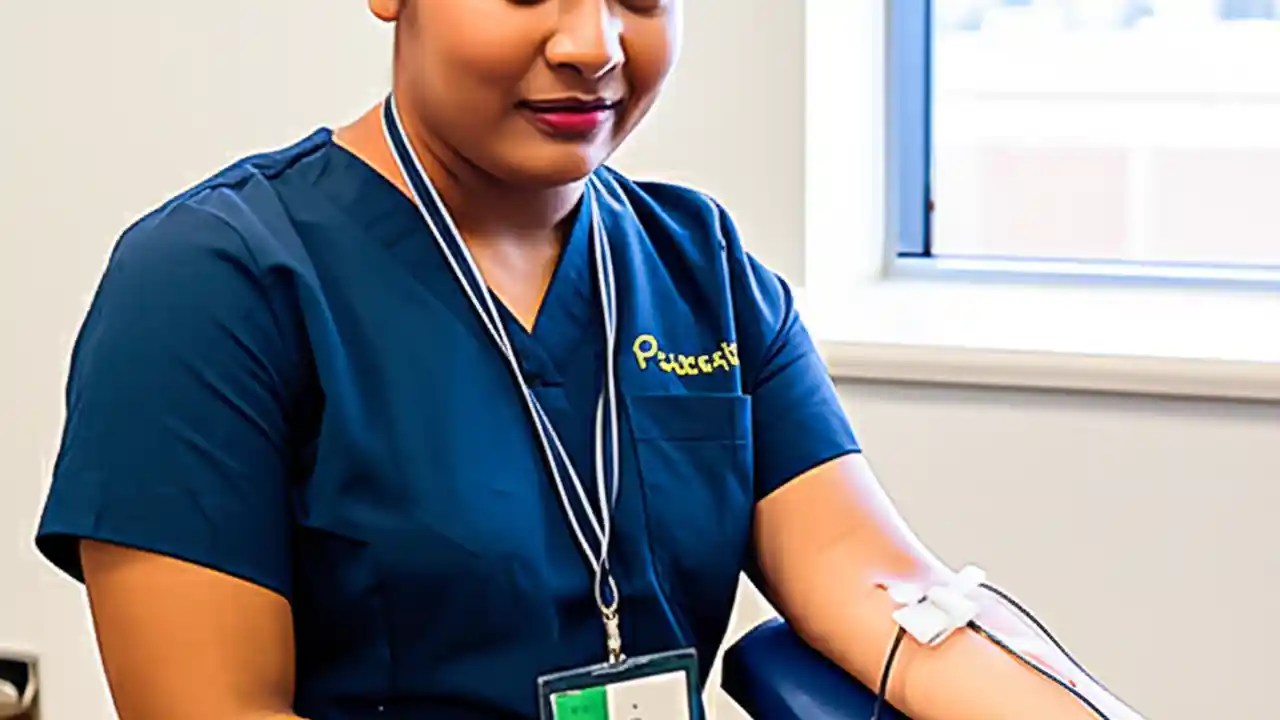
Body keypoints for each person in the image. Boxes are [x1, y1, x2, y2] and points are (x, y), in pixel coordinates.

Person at [35, 2, 1143, 719]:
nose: (595, 46)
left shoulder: (695, 261)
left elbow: (887, 593)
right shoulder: (215, 281)